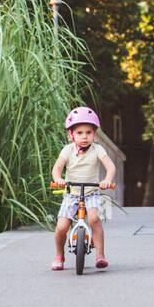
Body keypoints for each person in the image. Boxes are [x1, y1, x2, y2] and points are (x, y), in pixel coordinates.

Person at [51, 106, 116, 270]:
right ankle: (59, 255)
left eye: (88, 132)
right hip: (71, 193)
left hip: (92, 192)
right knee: (61, 227)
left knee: (94, 219)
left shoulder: (97, 149)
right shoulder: (67, 150)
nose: (84, 136)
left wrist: (107, 180)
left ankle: (100, 255)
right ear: (71, 134)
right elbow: (57, 168)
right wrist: (58, 179)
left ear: (95, 134)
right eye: (79, 133)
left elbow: (110, 166)